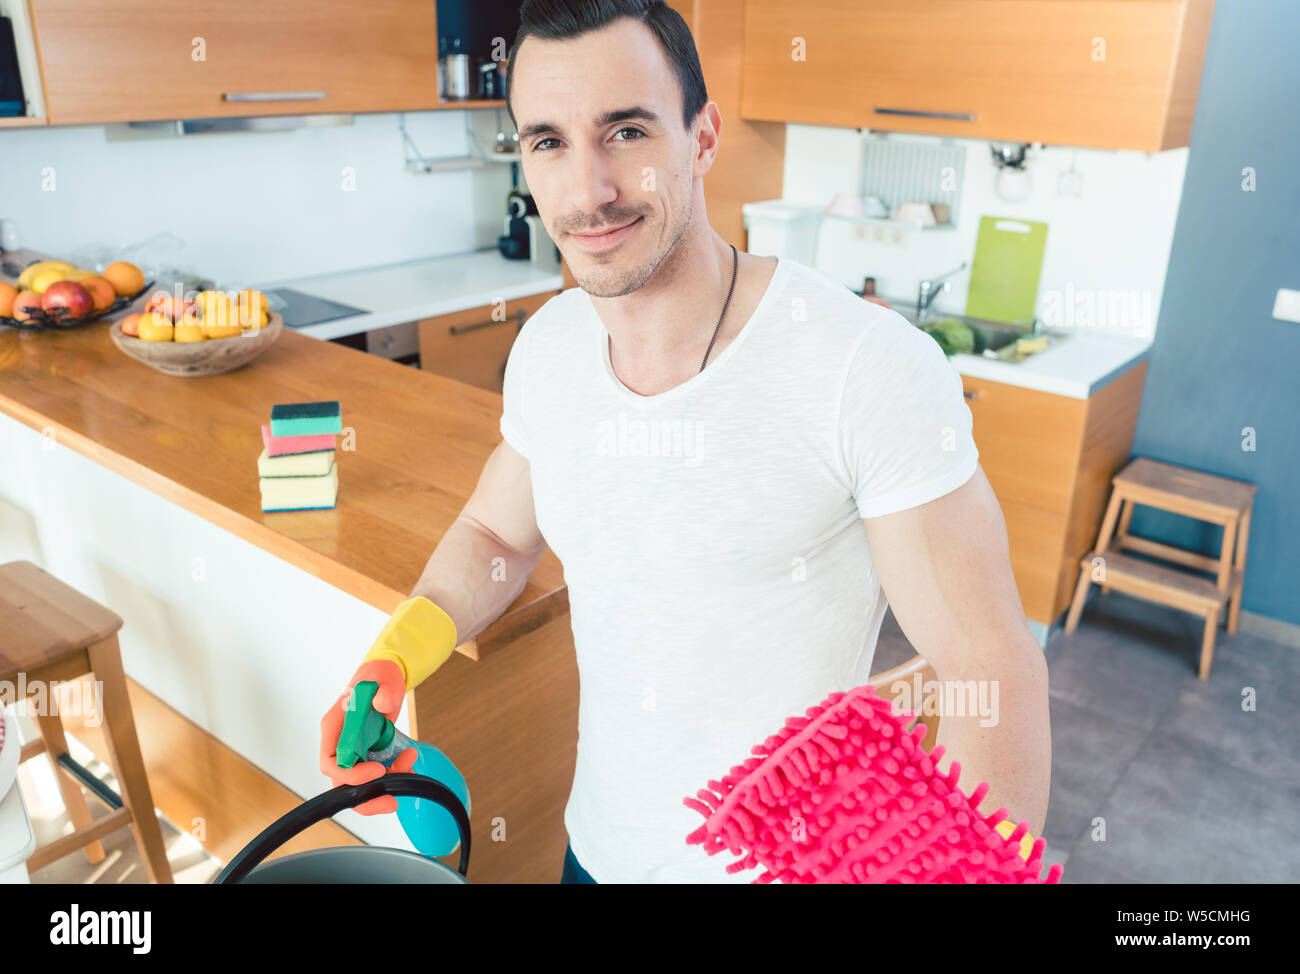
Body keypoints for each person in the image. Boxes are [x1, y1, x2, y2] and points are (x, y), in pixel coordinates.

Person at [320, 0, 1051, 884]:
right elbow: (494, 535)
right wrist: (397, 656)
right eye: (547, 141)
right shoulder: (550, 347)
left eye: (625, 132)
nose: (587, 191)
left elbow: (990, 671)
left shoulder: (863, 365)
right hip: (595, 853)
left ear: (701, 139)